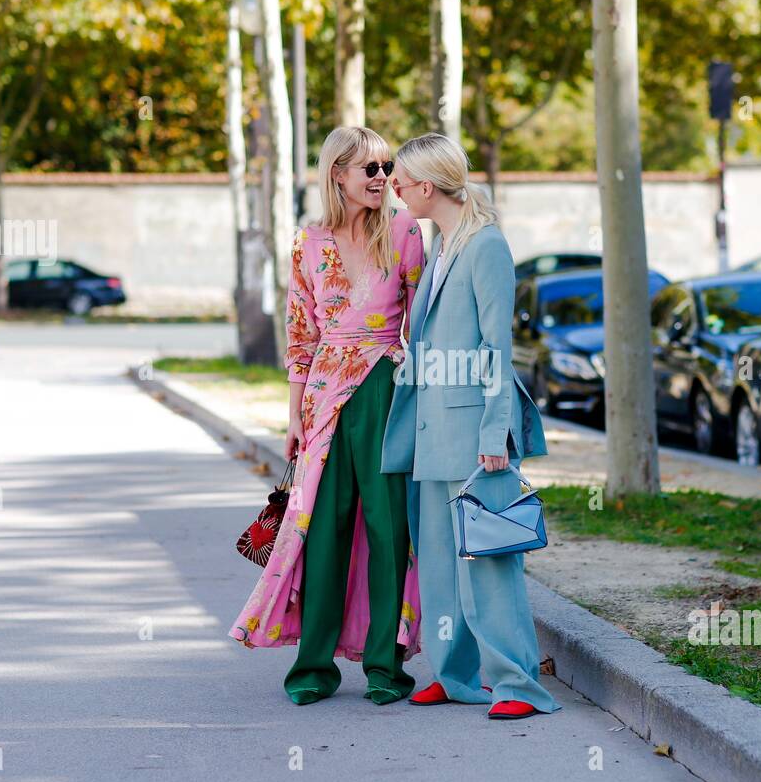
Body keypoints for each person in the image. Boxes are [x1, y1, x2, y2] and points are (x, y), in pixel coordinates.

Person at [230, 126, 425, 706]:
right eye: (369, 169)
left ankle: (387, 667)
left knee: (390, 529)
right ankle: (313, 666)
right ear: (336, 173)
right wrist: (293, 417)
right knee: (321, 527)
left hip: (386, 386)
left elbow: (423, 320)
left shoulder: (406, 230)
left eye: (387, 168)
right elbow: (300, 334)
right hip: (323, 397)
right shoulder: (307, 242)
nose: (382, 179)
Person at [381, 132, 558, 720]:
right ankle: (455, 675)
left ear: (427, 188)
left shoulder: (485, 247)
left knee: (488, 563)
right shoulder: (440, 243)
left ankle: (517, 686)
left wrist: (494, 436)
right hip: (430, 437)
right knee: (436, 565)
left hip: (475, 441)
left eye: (401, 184)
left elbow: (495, 350)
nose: (395, 192)